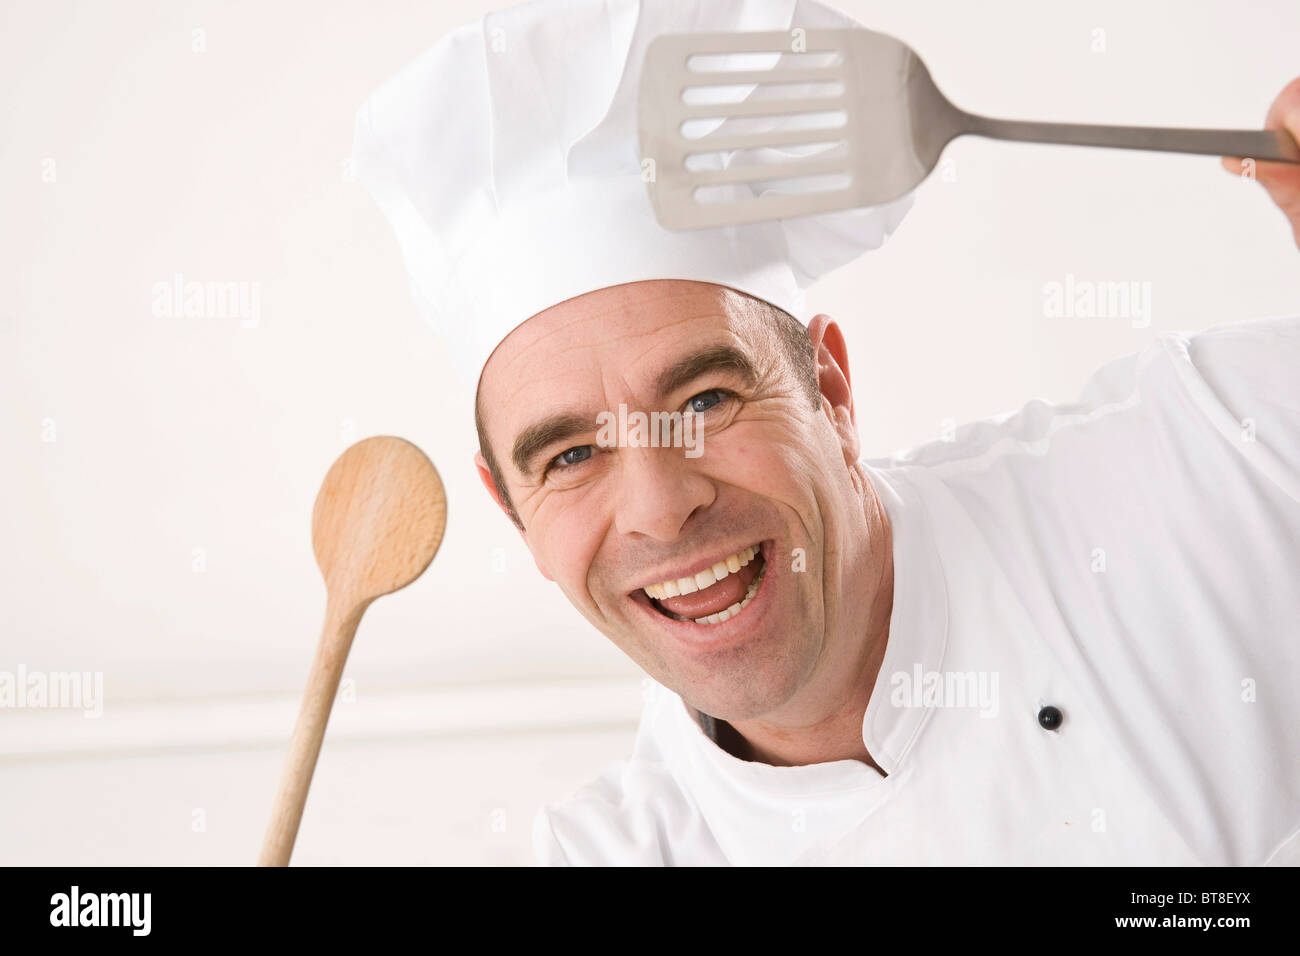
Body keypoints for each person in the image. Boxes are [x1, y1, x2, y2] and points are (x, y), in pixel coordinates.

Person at [352, 0, 1300, 864]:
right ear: (516, 517)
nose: (660, 506)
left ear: (832, 394)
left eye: (704, 402)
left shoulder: (1216, 456)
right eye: (570, 456)